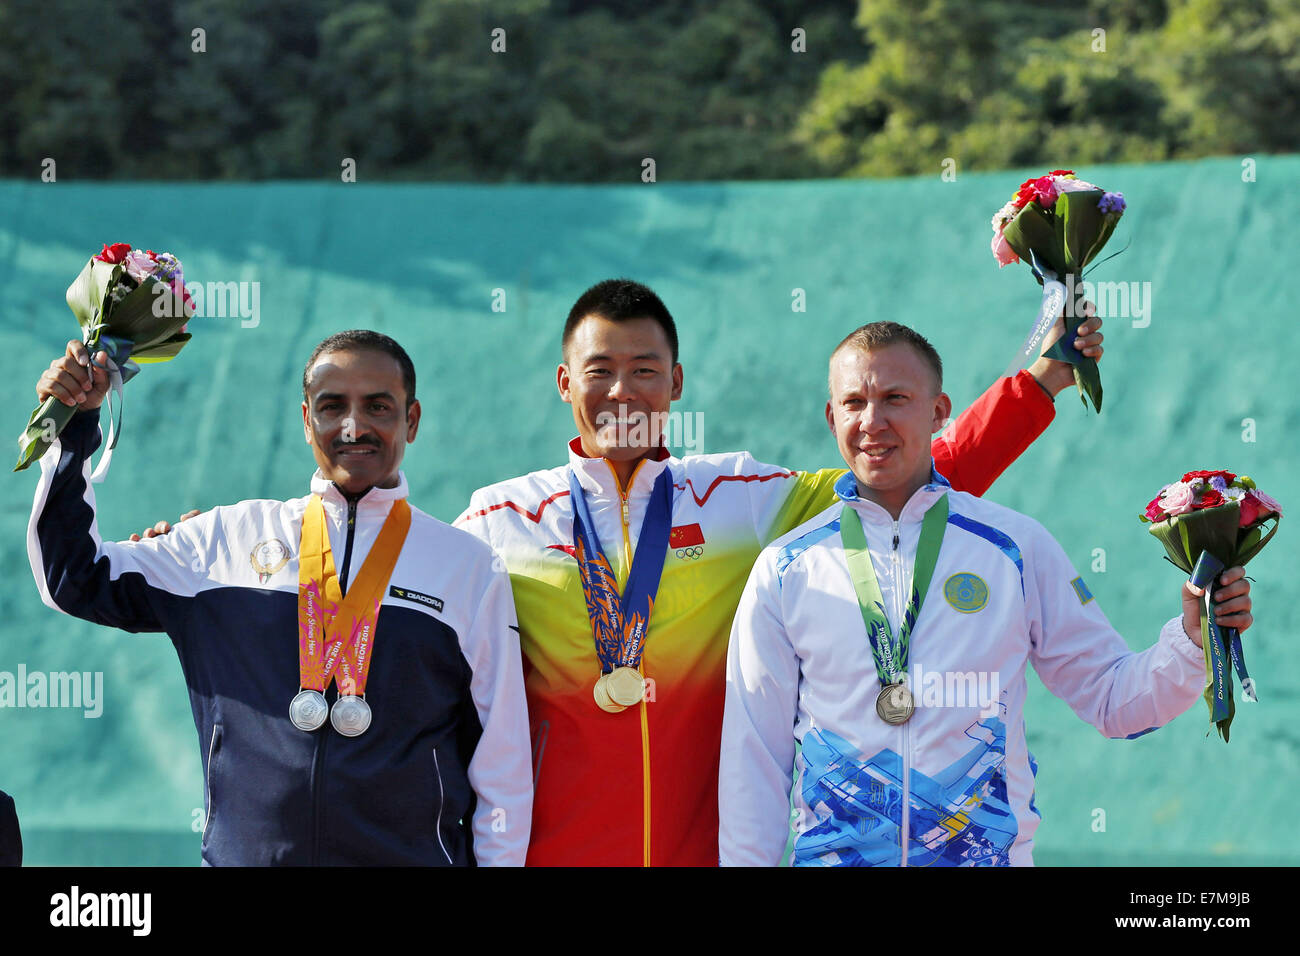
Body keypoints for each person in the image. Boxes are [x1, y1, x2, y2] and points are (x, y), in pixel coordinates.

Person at [450, 279, 1106, 866]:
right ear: (565, 382)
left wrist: (1041, 379)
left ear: (676, 382)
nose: (623, 392)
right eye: (601, 370)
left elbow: (906, 471)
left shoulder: (740, 499)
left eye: (644, 370)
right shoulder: (499, 520)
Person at [718, 321, 1253, 866]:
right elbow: (753, 760)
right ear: (832, 417)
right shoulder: (787, 568)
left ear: (938, 410)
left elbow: (1114, 701)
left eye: (895, 398)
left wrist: (1190, 641)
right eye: (854, 402)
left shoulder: (1016, 548)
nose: (872, 421)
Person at [27, 331, 532, 865]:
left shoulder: (469, 569)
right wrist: (73, 423)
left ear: (411, 419)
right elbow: (75, 576)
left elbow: (502, 768)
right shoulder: (223, 543)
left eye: (378, 406)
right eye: (331, 406)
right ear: (305, 419)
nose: (354, 426)